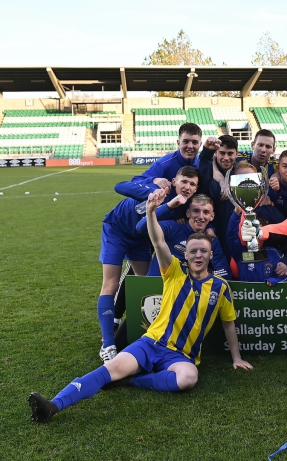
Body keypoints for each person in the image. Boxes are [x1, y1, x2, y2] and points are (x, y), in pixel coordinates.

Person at [28, 189, 253, 424]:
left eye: (203, 251)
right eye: (193, 251)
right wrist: (150, 210)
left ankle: (132, 380)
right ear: (185, 255)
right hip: (151, 343)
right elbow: (158, 241)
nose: (198, 255)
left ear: (210, 255)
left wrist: (236, 357)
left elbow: (228, 323)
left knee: (188, 378)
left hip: (181, 356)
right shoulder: (175, 272)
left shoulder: (220, 287)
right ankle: (53, 405)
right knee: (110, 369)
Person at [97, 166, 200, 363]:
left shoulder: (181, 209)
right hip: (117, 230)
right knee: (111, 283)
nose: (187, 187)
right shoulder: (159, 187)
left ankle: (142, 333)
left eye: (192, 184)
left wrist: (168, 207)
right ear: (174, 181)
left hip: (140, 240)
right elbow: (120, 186)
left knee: (145, 286)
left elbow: (143, 226)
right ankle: (108, 344)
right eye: (183, 182)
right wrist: (151, 192)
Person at [135, 193, 231, 279]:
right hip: (158, 288)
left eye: (206, 212)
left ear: (212, 216)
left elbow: (224, 274)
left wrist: (201, 278)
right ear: (188, 213)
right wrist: (166, 207)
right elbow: (141, 228)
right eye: (196, 211)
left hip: (188, 292)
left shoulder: (211, 239)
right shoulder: (173, 227)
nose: (201, 216)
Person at [114, 123, 203, 200]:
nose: (190, 146)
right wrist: (154, 180)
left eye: (194, 142)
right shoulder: (164, 164)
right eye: (186, 142)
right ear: (178, 143)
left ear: (200, 144)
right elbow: (136, 181)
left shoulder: (203, 164)